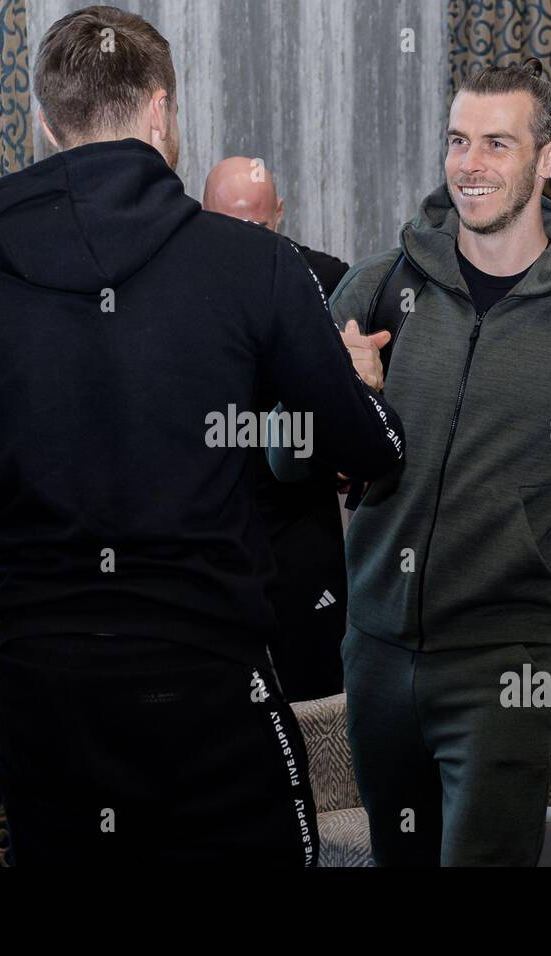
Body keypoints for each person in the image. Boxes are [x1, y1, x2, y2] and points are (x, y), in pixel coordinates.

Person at [0, 4, 405, 867]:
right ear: (161, 112)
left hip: (46, 701)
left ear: (44, 122)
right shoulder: (253, 262)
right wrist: (366, 386)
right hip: (213, 694)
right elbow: (373, 453)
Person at [275, 59, 551, 866]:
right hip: (374, 658)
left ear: (549, 158)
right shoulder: (376, 290)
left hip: (508, 671)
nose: (468, 163)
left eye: (496, 143)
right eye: (457, 140)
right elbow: (278, 457)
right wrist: (337, 401)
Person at [202, 156, 355, 701]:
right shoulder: (176, 286)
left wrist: (348, 452)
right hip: (210, 525)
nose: (246, 240)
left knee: (317, 694)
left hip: (300, 521)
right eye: (229, 224)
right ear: (202, 215)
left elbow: (377, 400)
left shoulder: (330, 281)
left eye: (259, 226)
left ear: (281, 214)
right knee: (219, 701)